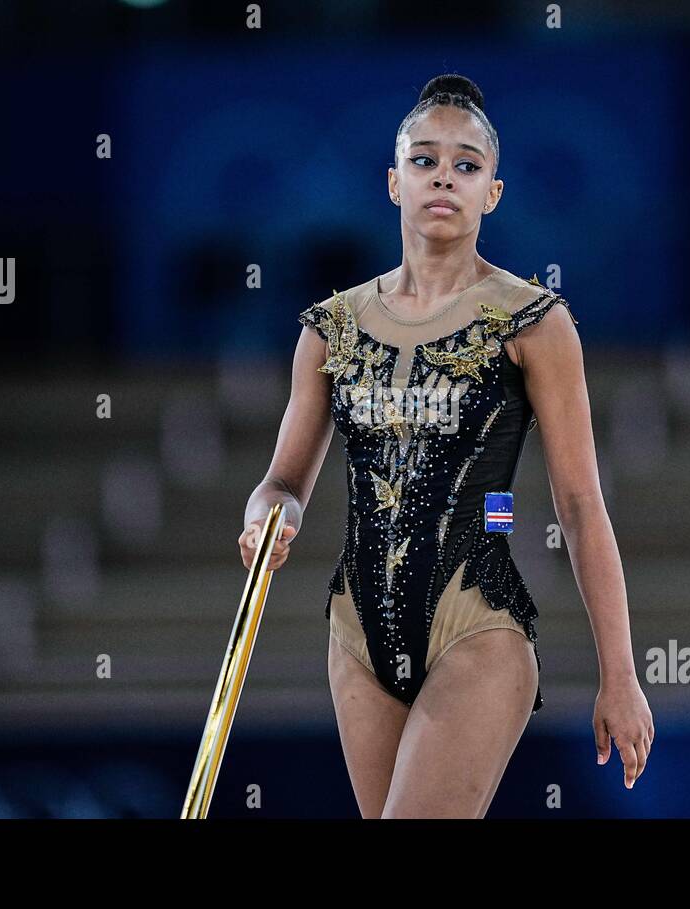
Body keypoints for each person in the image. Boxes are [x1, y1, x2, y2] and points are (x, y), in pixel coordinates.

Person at [239, 73, 652, 817]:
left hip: (479, 625)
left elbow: (583, 505)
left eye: (467, 165)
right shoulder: (329, 328)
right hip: (357, 634)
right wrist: (269, 515)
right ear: (393, 182)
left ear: (492, 192)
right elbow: (281, 481)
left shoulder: (533, 322)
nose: (444, 177)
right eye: (425, 160)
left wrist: (618, 673)